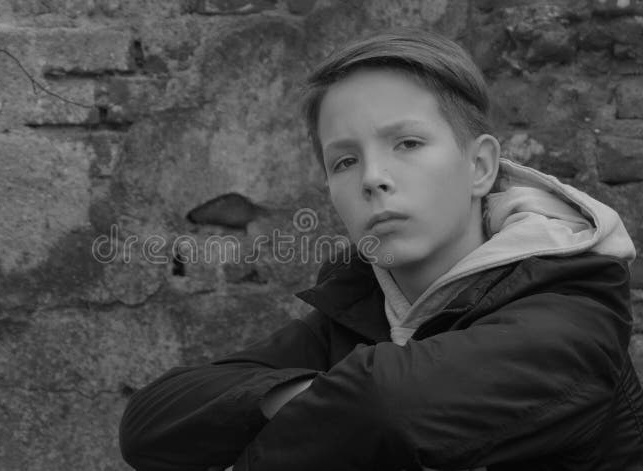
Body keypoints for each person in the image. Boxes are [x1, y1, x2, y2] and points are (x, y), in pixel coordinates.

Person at [118, 28, 643, 470]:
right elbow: (151, 421)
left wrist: (309, 410)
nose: (373, 178)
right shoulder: (360, 308)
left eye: (407, 144)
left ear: (480, 167)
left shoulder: (574, 311)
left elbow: (384, 406)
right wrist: (296, 396)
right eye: (343, 162)